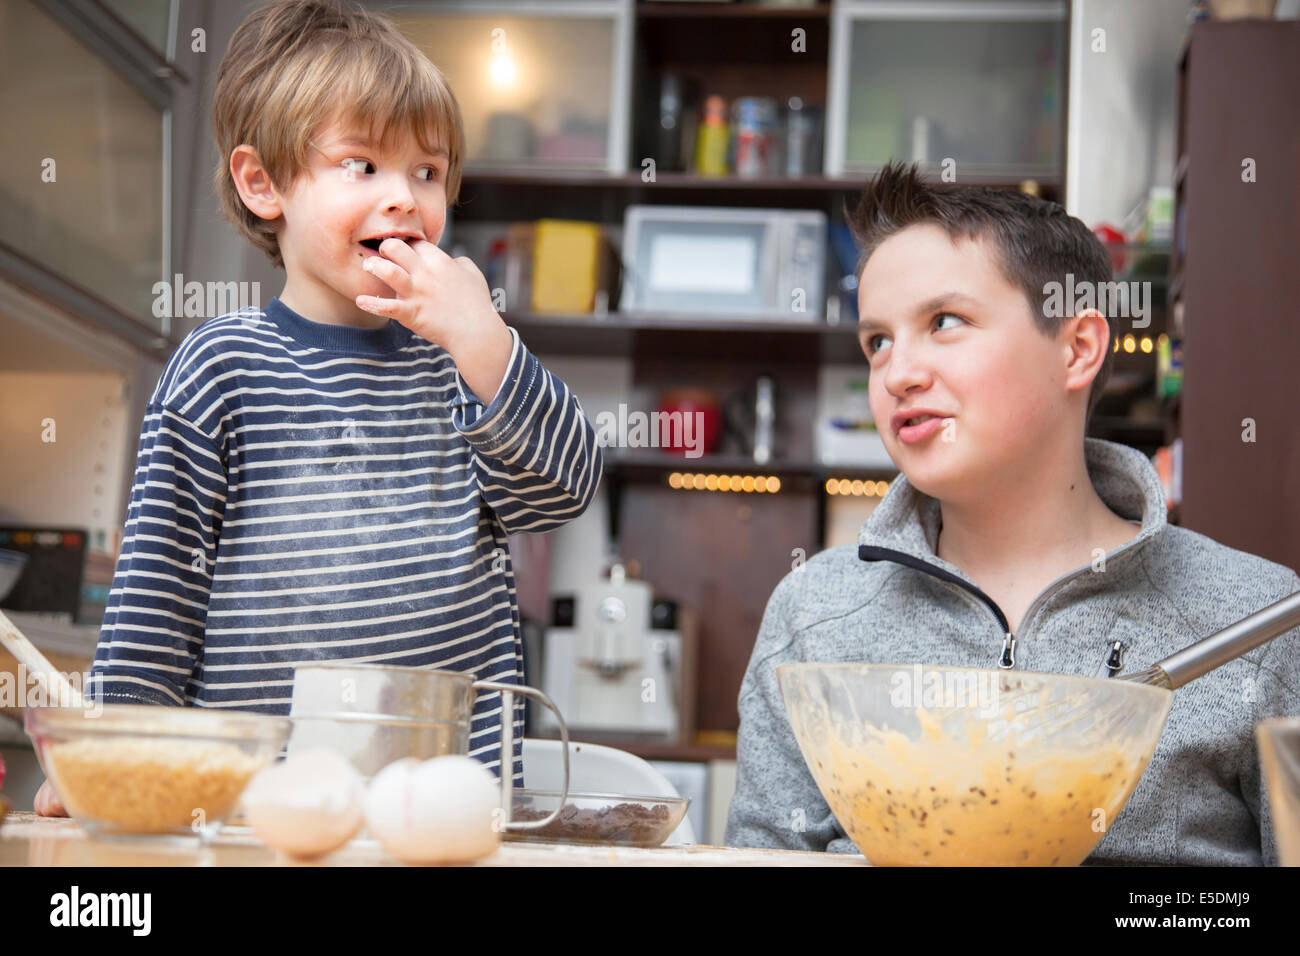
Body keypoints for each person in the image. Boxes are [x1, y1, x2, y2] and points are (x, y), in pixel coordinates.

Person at [34, 0, 601, 815]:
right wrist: (111, 756)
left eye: (428, 171)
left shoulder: (460, 364)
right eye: (362, 165)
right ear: (263, 183)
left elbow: (564, 489)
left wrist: (486, 342)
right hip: (257, 813)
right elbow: (158, 602)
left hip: (448, 810)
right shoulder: (220, 369)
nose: (404, 197)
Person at [724, 161, 1300, 865]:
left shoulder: (1261, 619)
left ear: (1077, 349)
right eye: (878, 341)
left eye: (944, 322)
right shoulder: (813, 614)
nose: (897, 373)